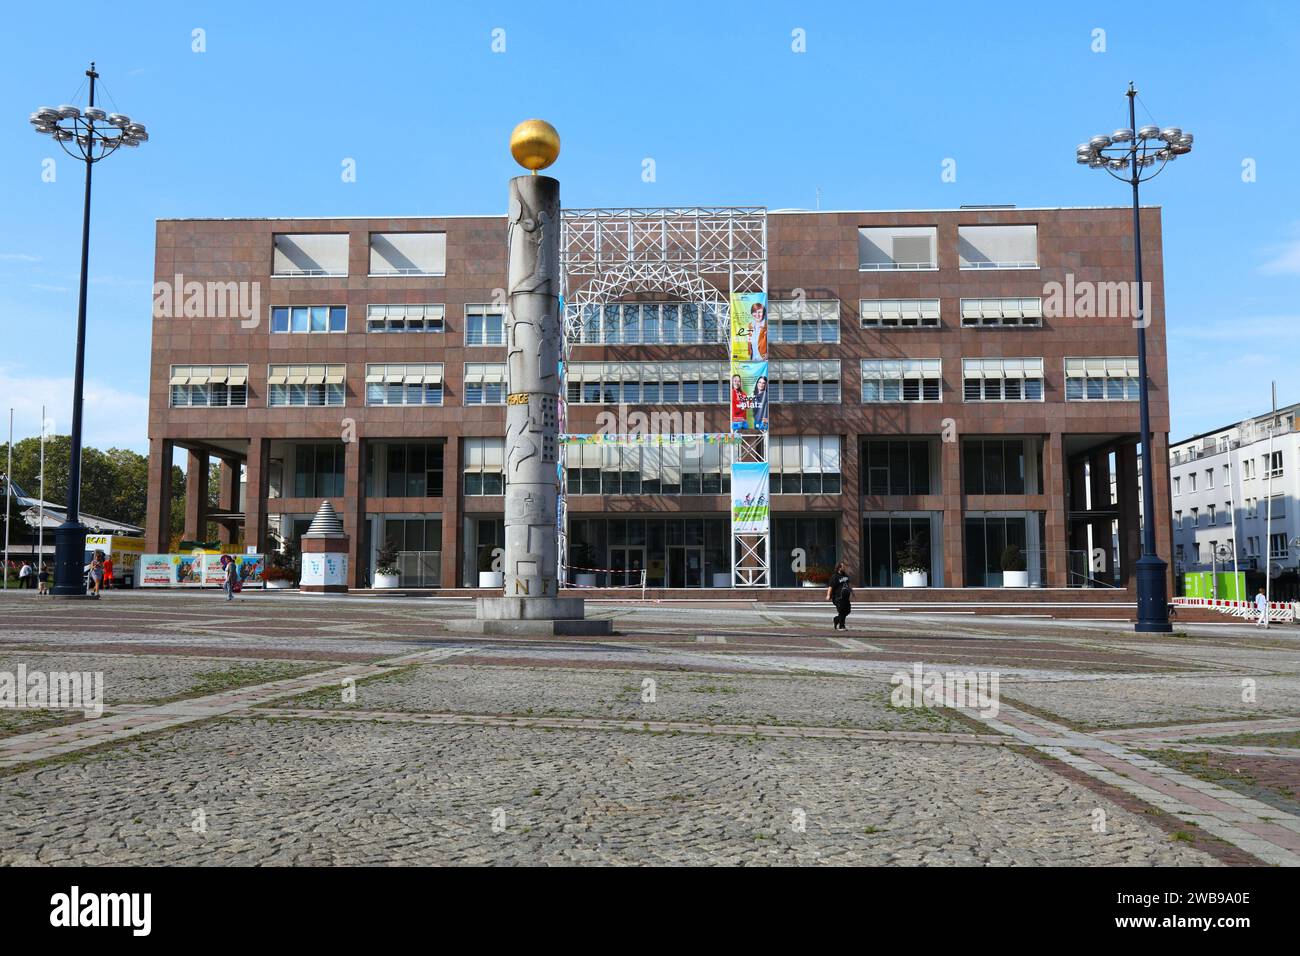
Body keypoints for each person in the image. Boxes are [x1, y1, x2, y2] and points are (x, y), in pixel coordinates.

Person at [826, 561, 853, 630]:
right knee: (841, 611)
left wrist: (851, 592)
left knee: (847, 610)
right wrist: (828, 595)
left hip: (846, 597)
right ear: (839, 568)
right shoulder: (835, 576)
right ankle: (841, 626)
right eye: (843, 566)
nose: (844, 568)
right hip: (838, 597)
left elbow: (848, 585)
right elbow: (830, 586)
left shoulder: (845, 576)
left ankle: (836, 619)